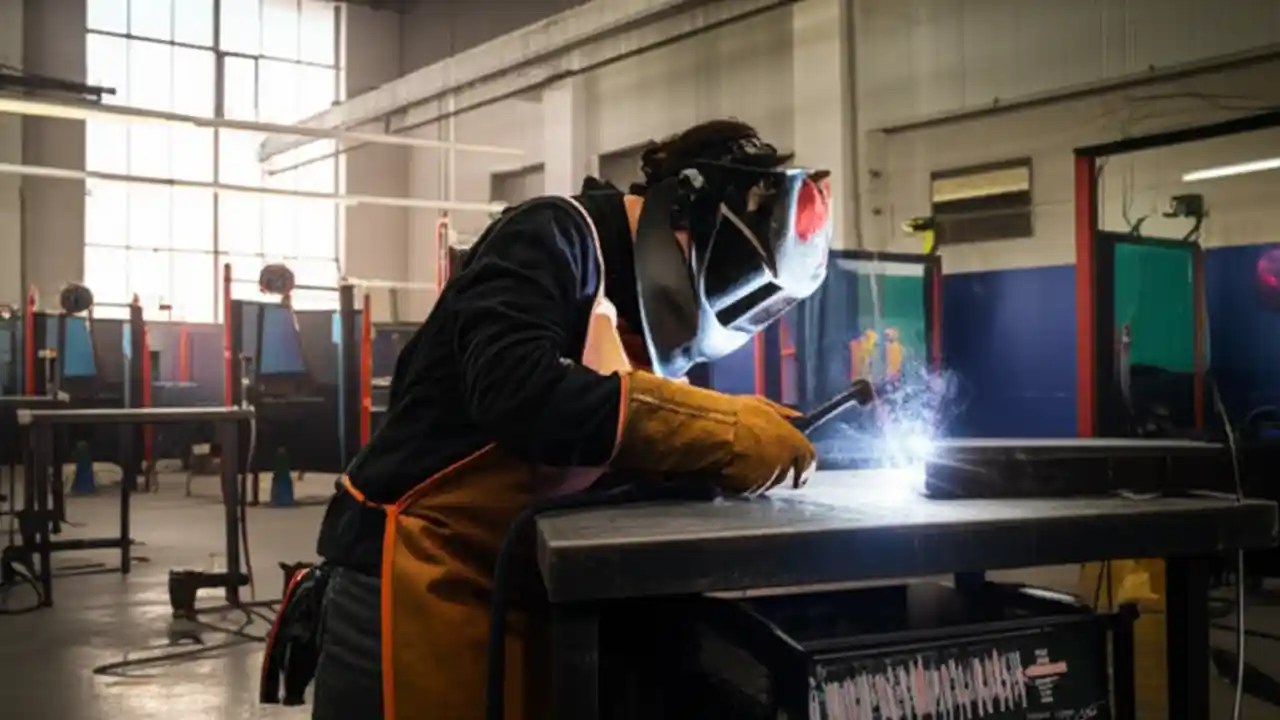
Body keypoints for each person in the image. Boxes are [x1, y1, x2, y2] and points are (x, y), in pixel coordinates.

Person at [307, 119, 832, 719]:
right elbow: (516, 389)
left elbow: (614, 441)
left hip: (527, 589)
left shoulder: (644, 312)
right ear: (680, 217)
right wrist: (720, 430)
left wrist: (723, 442)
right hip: (419, 581)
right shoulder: (551, 236)